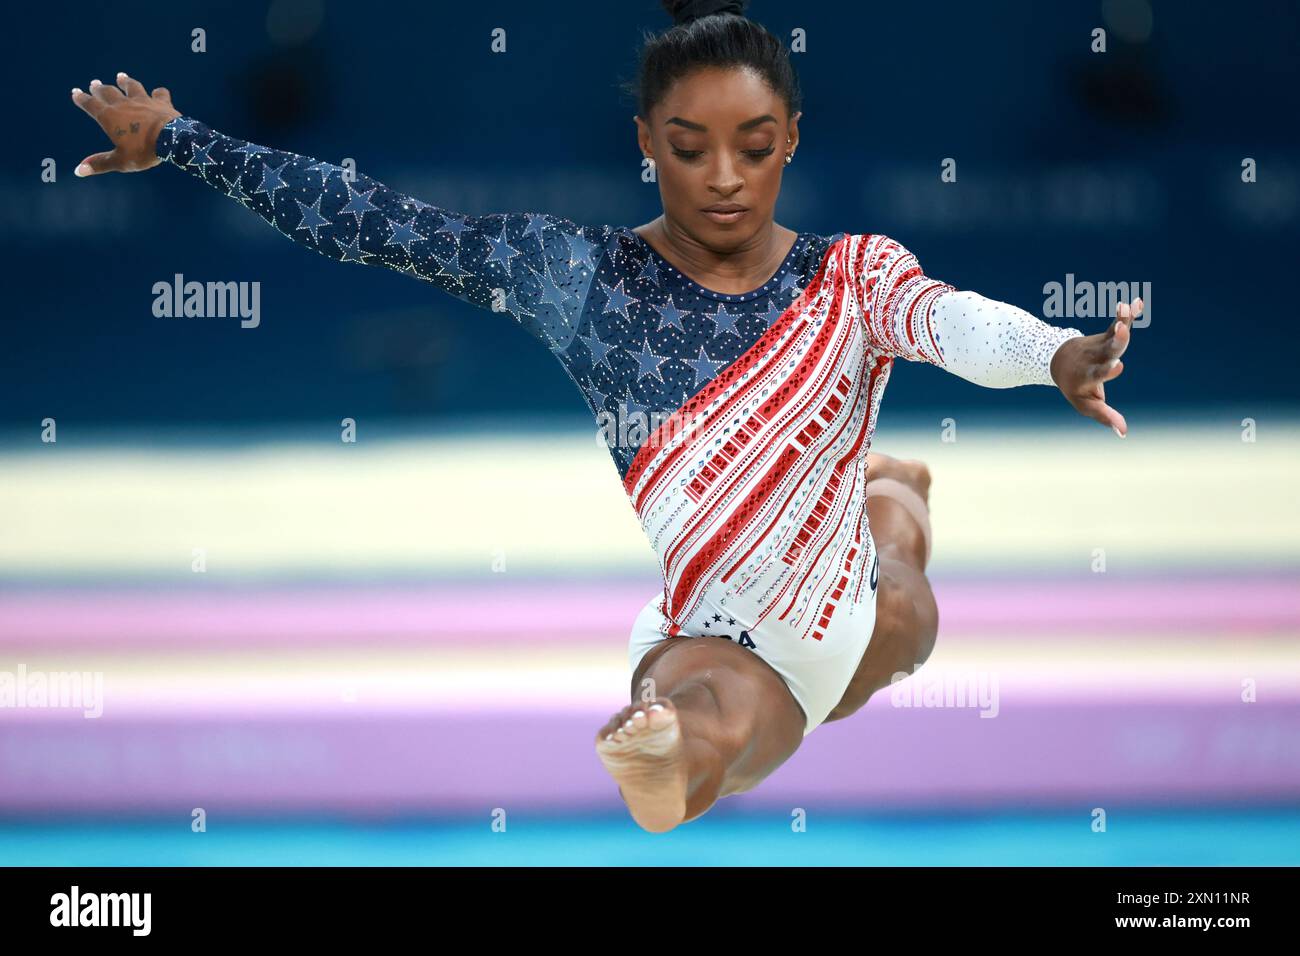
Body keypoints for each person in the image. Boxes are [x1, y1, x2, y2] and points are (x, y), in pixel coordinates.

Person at [68, 0, 1138, 833]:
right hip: (698, 625)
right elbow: (377, 223)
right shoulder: (582, 276)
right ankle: (665, 749)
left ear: (793, 139)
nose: (723, 179)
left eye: (754, 146)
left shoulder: (853, 281)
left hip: (842, 613)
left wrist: (1052, 352)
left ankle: (893, 495)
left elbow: (948, 319)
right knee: (708, 715)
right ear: (643, 139)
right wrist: (183, 138)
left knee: (902, 596)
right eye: (688, 146)